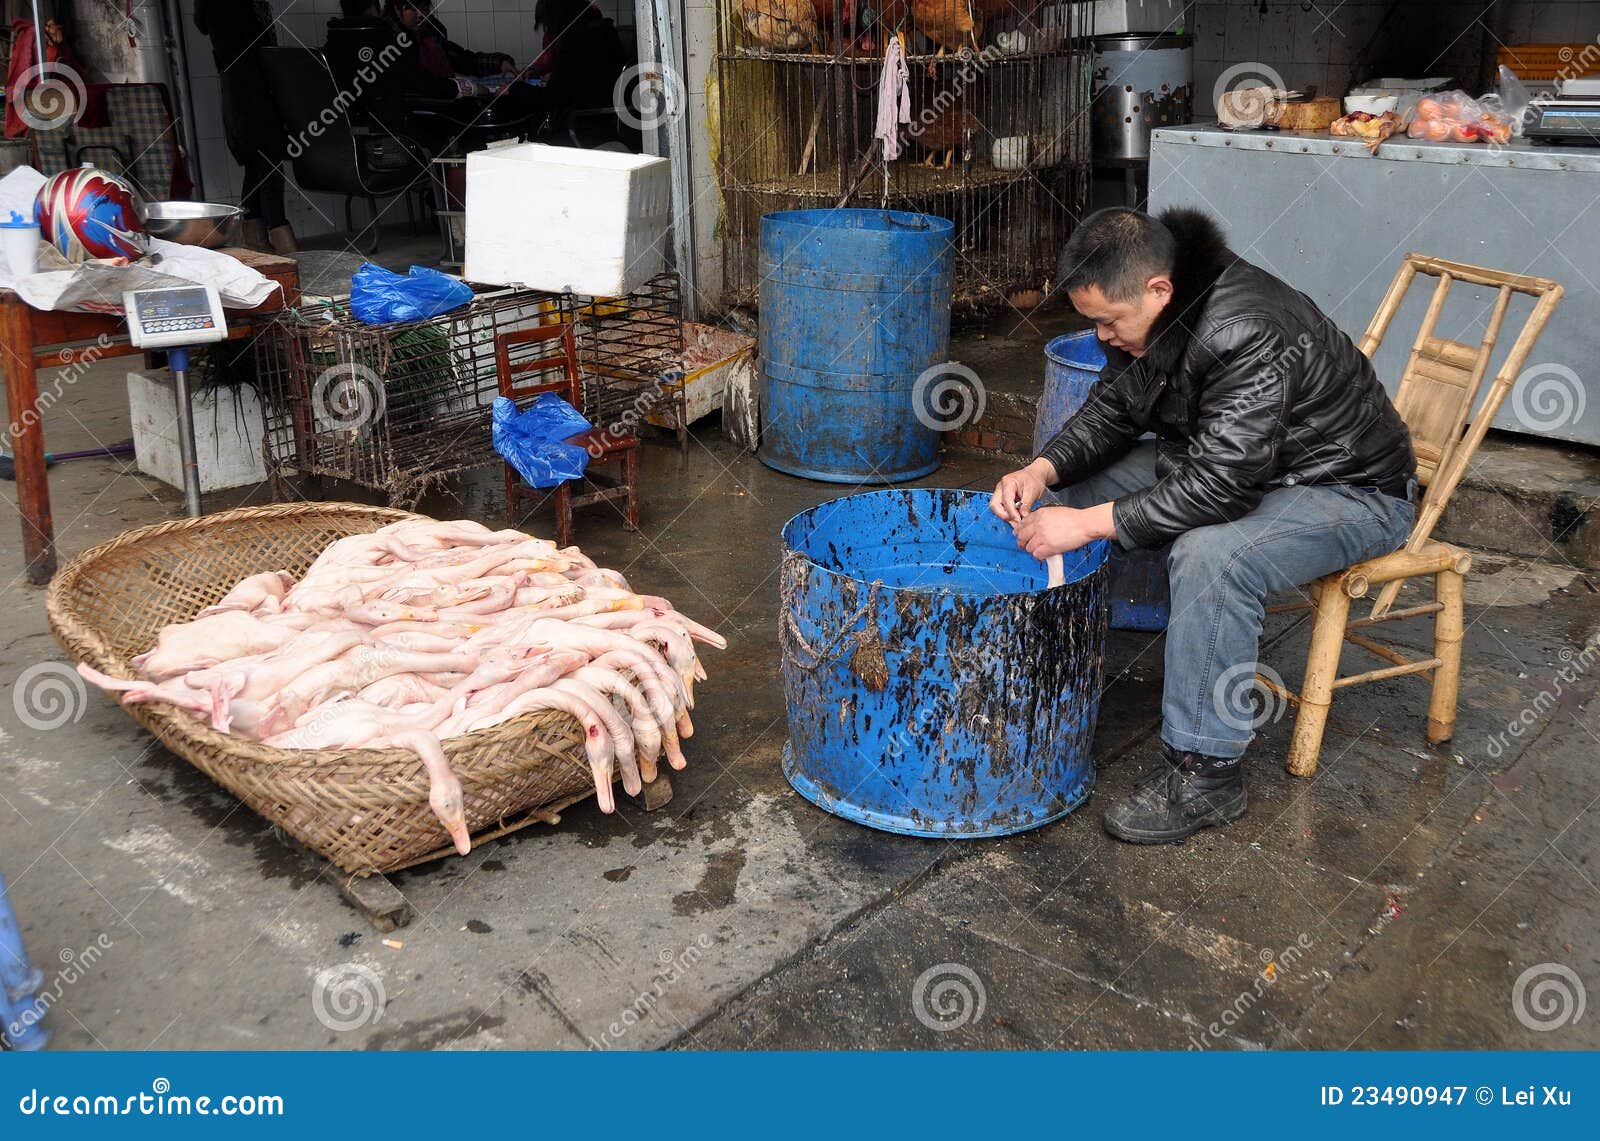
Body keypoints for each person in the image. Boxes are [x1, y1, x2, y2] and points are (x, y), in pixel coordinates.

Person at [991, 206, 1417, 844]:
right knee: (1067, 495)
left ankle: (1205, 773)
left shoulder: (1248, 329)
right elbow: (1116, 410)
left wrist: (1090, 525)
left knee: (1213, 557)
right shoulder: (1159, 312)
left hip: (1347, 491)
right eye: (1093, 322)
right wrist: (1043, 469)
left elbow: (1222, 486)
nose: (1103, 336)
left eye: (1109, 320)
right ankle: (1045, 666)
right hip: (1248, 467)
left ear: (1159, 290)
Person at [193, 0, 297, 253]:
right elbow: (254, 45)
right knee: (269, 157)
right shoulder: (233, 7)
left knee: (256, 161)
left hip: (237, 84)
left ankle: (255, 237)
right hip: (252, 83)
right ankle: (281, 236)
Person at [533, 0, 627, 123]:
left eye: (547, 25)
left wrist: (514, 89)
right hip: (610, 118)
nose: (546, 30)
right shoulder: (605, 30)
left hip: (583, 123)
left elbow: (553, 97)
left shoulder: (575, 41)